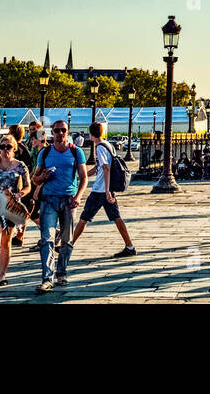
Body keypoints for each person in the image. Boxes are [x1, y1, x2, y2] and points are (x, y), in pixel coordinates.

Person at [31, 120, 88, 293]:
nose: (60, 133)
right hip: (49, 199)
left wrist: (78, 196)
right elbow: (35, 178)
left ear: (67, 131)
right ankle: (47, 278)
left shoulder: (76, 152)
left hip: (69, 200)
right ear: (52, 132)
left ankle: (61, 272)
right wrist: (44, 177)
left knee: (67, 239)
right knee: (47, 239)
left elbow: (84, 177)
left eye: (63, 130)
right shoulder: (45, 152)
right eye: (57, 130)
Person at [71, 121, 136, 258]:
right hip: (106, 189)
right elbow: (98, 167)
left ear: (91, 134)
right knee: (116, 218)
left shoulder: (100, 148)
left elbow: (106, 168)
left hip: (100, 190)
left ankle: (69, 245)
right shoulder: (108, 145)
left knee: (84, 217)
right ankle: (130, 246)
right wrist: (82, 176)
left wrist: (106, 191)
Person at [0, 134, 30, 289]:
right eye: (2, 146)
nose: (5, 149)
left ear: (14, 148)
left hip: (9, 206)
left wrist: (19, 194)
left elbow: (28, 186)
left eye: (8, 146)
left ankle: (2, 275)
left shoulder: (20, 166)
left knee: (5, 242)